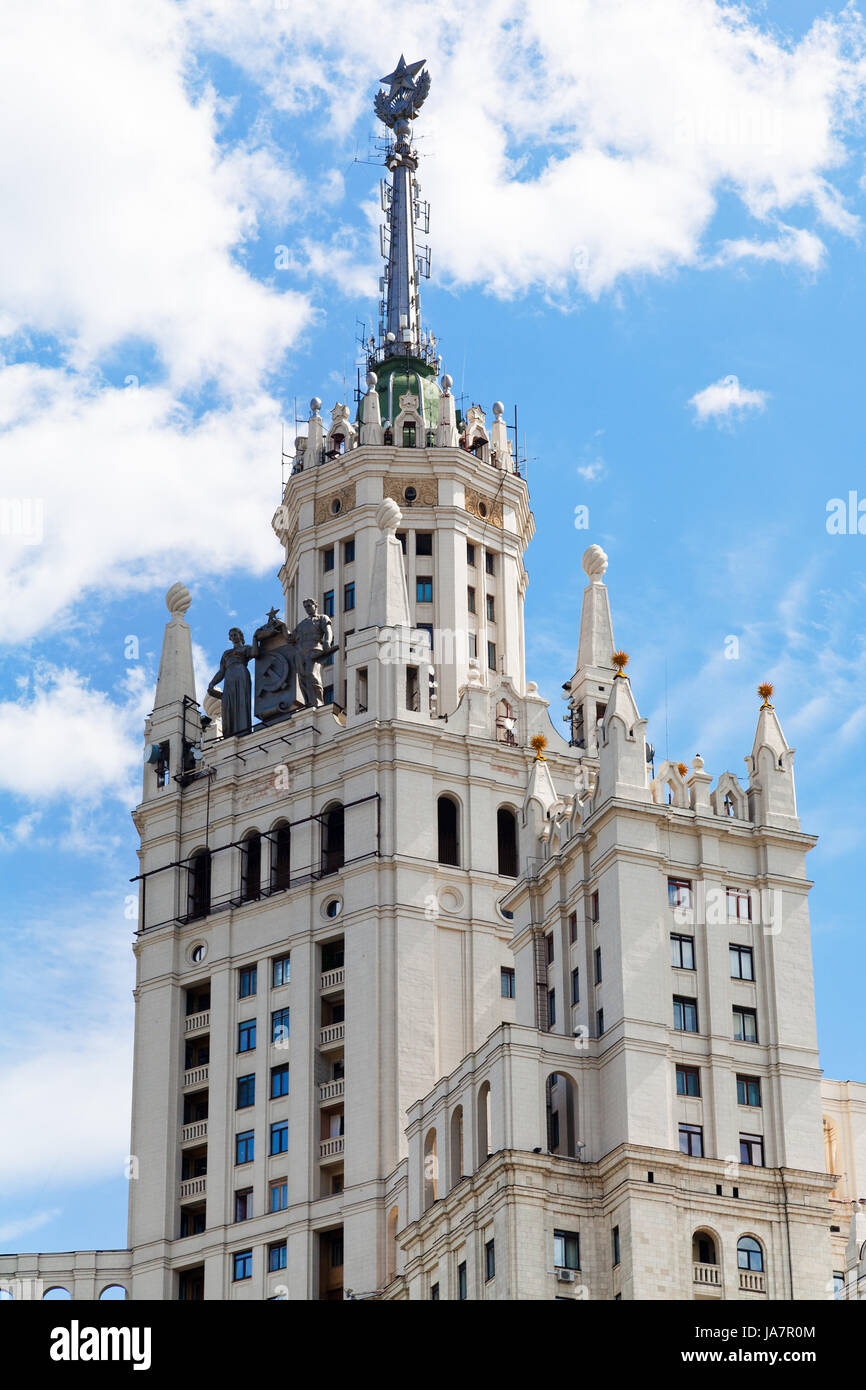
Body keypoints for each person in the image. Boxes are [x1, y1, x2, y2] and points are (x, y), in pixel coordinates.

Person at [207, 628, 255, 735]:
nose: (233, 637)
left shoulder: (246, 648)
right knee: (228, 704)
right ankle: (230, 733)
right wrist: (212, 683)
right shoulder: (226, 653)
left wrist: (255, 638)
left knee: (241, 701)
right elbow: (221, 671)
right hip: (229, 677)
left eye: (235, 634)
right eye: (231, 635)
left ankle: (243, 730)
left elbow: (256, 653)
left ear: (240, 636)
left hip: (241, 674)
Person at [293, 598, 335, 707]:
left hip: (314, 650)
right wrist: (281, 626)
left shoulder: (322, 618)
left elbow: (328, 631)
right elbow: (290, 638)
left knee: (311, 674)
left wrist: (327, 641)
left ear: (315, 605)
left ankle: (317, 703)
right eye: (305, 607)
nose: (307, 609)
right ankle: (308, 703)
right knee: (302, 678)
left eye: (309, 606)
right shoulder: (302, 624)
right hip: (301, 652)